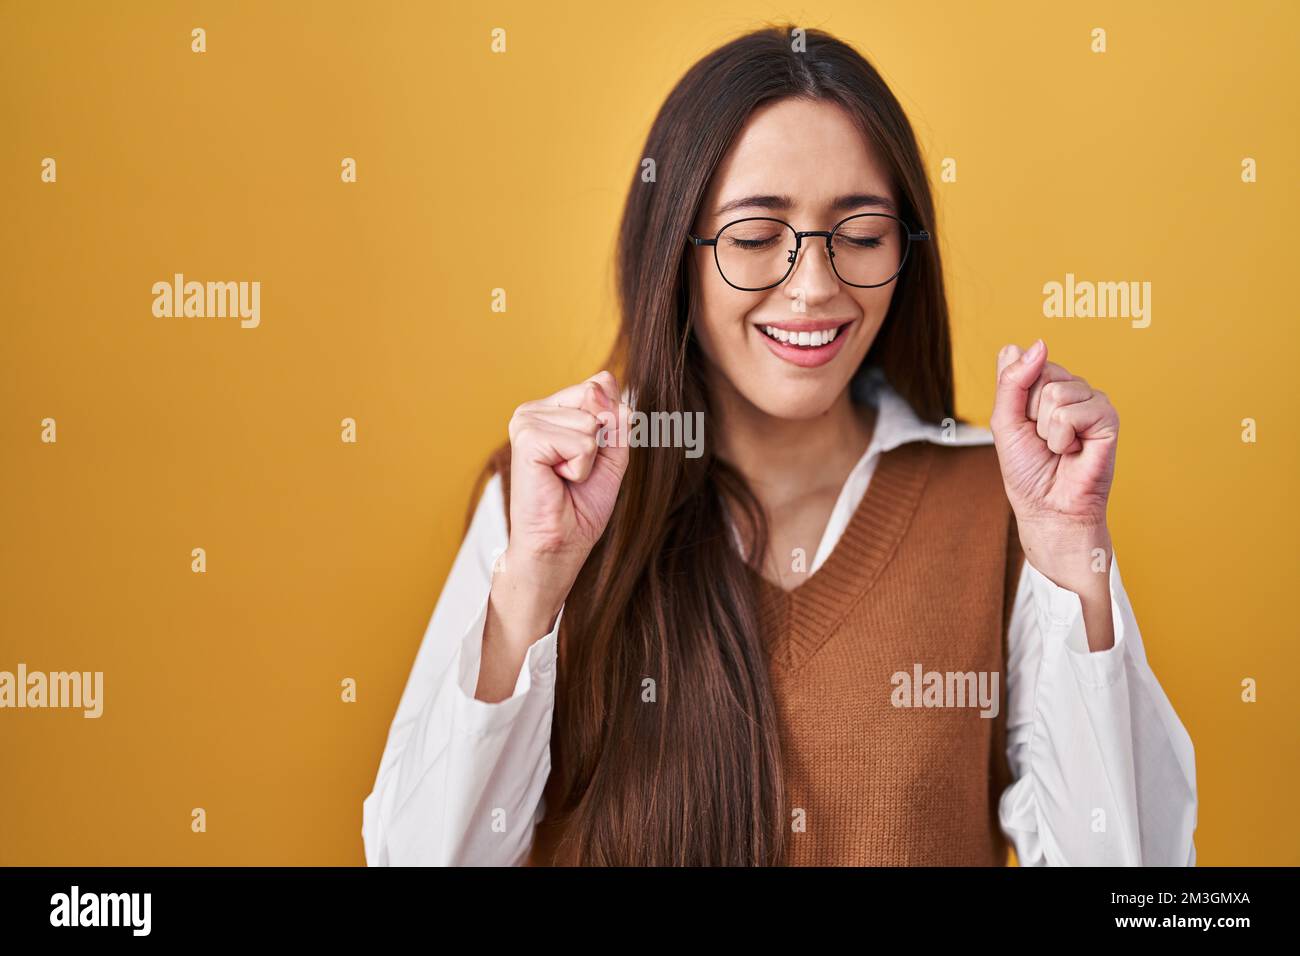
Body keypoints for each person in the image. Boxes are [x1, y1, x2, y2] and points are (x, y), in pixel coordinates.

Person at [362, 24, 1197, 866]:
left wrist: (1072, 558)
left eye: (862, 235)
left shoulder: (1004, 512)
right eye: (755, 237)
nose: (813, 287)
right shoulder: (546, 503)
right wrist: (534, 582)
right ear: (674, 254)